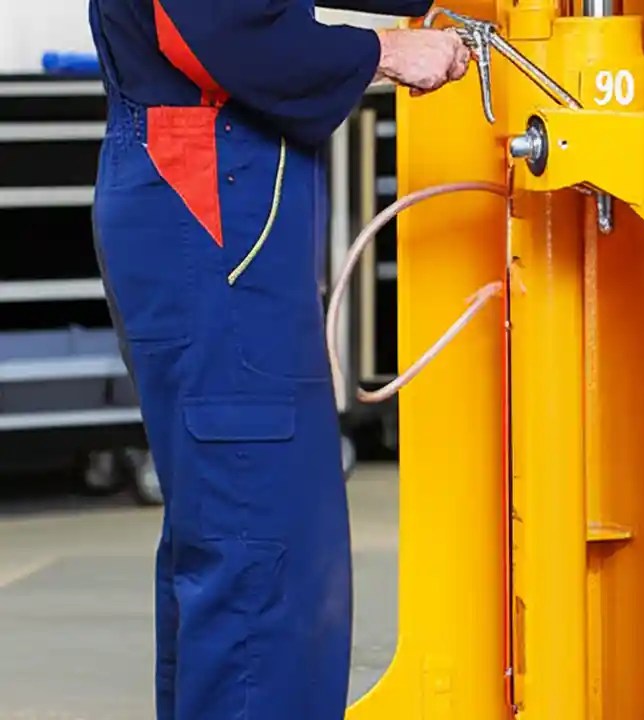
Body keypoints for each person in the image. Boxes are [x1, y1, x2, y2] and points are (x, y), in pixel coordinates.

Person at [87, 1, 468, 717]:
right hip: (207, 193)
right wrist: (383, 52)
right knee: (257, 546)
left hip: (205, 189)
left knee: (234, 532)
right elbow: (222, 29)